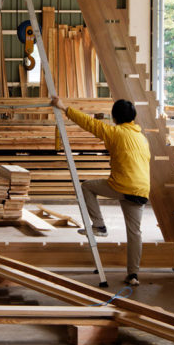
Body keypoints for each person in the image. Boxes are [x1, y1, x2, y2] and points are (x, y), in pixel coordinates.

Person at [52, 95, 149, 287]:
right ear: (133, 117)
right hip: (142, 188)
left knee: (87, 186)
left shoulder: (115, 132)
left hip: (122, 185)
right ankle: (133, 275)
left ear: (115, 118)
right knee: (135, 233)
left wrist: (64, 107)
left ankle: (99, 225)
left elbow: (89, 123)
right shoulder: (141, 138)